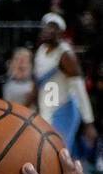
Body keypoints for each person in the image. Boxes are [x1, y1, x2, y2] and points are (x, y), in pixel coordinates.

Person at [34, 13, 97, 157]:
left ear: (61, 33)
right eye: (46, 26)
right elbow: (38, 83)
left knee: (57, 154)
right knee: (47, 154)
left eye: (53, 27)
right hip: (46, 111)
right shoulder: (41, 51)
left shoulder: (66, 55)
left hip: (64, 110)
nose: (48, 30)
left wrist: (89, 122)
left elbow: (80, 90)